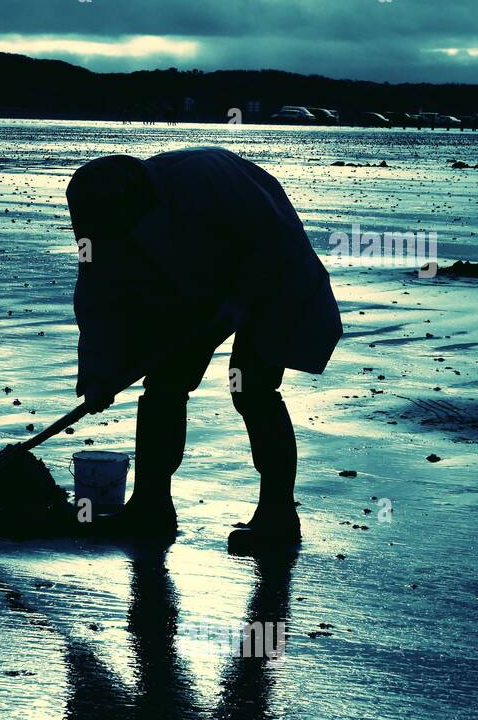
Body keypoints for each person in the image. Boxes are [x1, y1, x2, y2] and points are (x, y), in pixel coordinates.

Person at [67, 147, 342, 552]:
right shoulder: (100, 219)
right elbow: (98, 293)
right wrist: (97, 372)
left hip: (276, 274)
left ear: (137, 205)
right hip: (196, 279)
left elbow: (255, 265)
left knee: (253, 388)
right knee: (164, 385)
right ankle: (151, 506)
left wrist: (221, 312)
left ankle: (278, 514)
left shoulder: (205, 181)